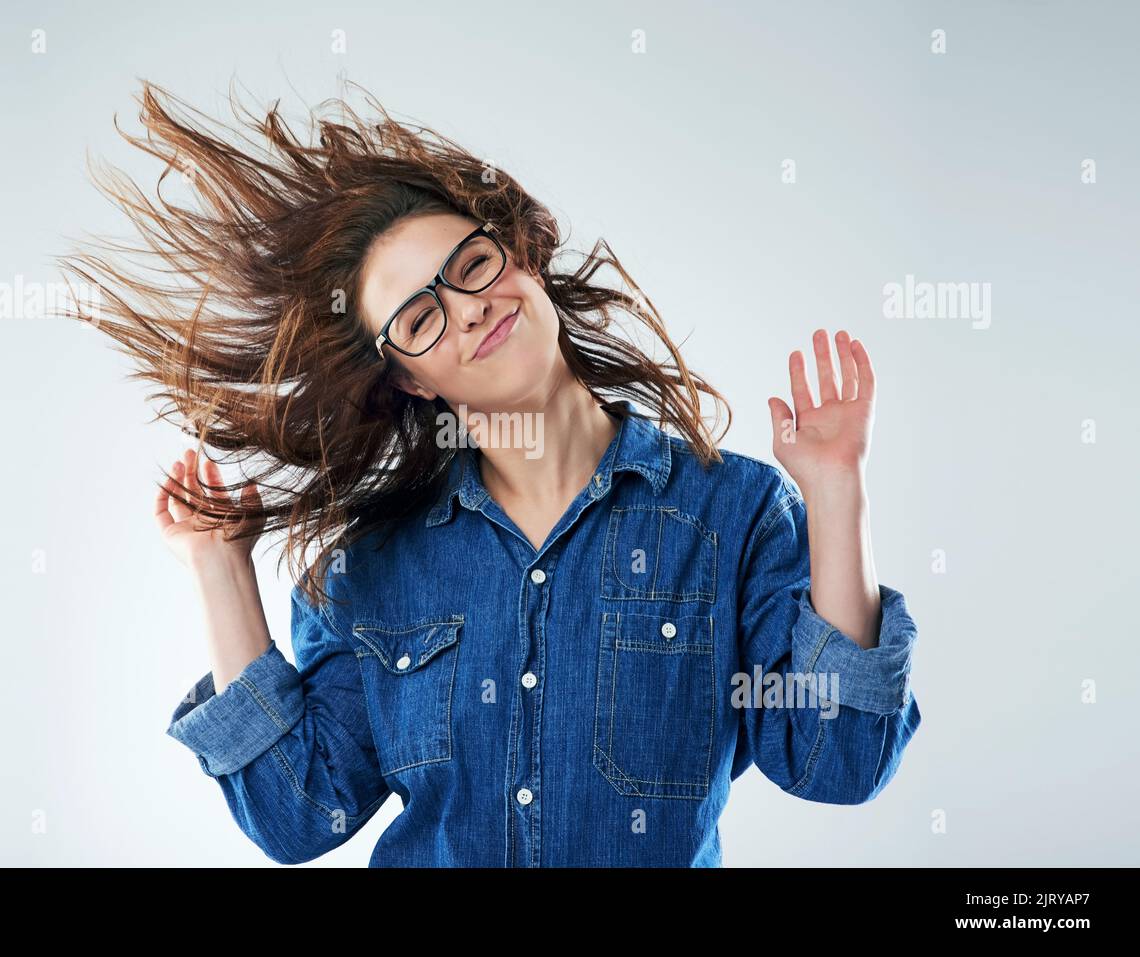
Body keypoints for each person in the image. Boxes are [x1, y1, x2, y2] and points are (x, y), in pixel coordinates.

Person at [61, 79, 922, 867]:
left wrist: (837, 490)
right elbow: (301, 814)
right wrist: (220, 567)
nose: (469, 307)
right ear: (407, 378)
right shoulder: (372, 571)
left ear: (522, 260)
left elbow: (836, 759)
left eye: (471, 266)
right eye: (421, 317)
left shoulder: (732, 510)